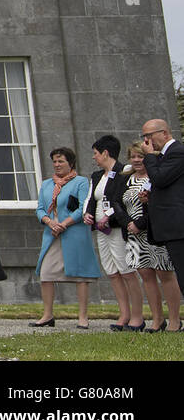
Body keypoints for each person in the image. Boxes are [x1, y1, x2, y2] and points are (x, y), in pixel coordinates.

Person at [32, 147, 99, 328]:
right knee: (45, 273)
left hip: (74, 233)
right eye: (54, 161)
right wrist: (49, 221)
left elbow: (82, 207)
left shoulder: (81, 182)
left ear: (71, 163)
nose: (57, 165)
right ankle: (47, 315)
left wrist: (64, 224)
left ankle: (83, 317)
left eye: (61, 161)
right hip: (51, 233)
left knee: (80, 275)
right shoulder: (47, 184)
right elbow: (39, 209)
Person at [123, 143, 182, 331]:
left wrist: (141, 223)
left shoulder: (158, 176)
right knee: (146, 274)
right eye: (133, 157)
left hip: (155, 230)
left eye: (141, 156)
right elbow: (117, 202)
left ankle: (175, 320)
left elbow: (162, 203)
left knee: (165, 273)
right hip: (134, 235)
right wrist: (129, 223)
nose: (137, 160)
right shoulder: (126, 178)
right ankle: (157, 320)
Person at [81, 135, 137, 330]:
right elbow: (92, 199)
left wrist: (109, 216)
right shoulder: (97, 176)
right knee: (112, 271)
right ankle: (124, 314)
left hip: (116, 227)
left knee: (126, 270)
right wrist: (88, 214)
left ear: (106, 153)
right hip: (101, 230)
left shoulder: (124, 172)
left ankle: (137, 315)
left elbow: (122, 200)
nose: (94, 157)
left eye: (96, 154)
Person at [141, 119, 184, 291]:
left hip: (178, 225)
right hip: (171, 227)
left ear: (164, 133)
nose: (146, 142)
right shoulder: (165, 155)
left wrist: (150, 156)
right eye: (144, 137)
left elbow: (160, 179)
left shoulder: (177, 152)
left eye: (149, 136)